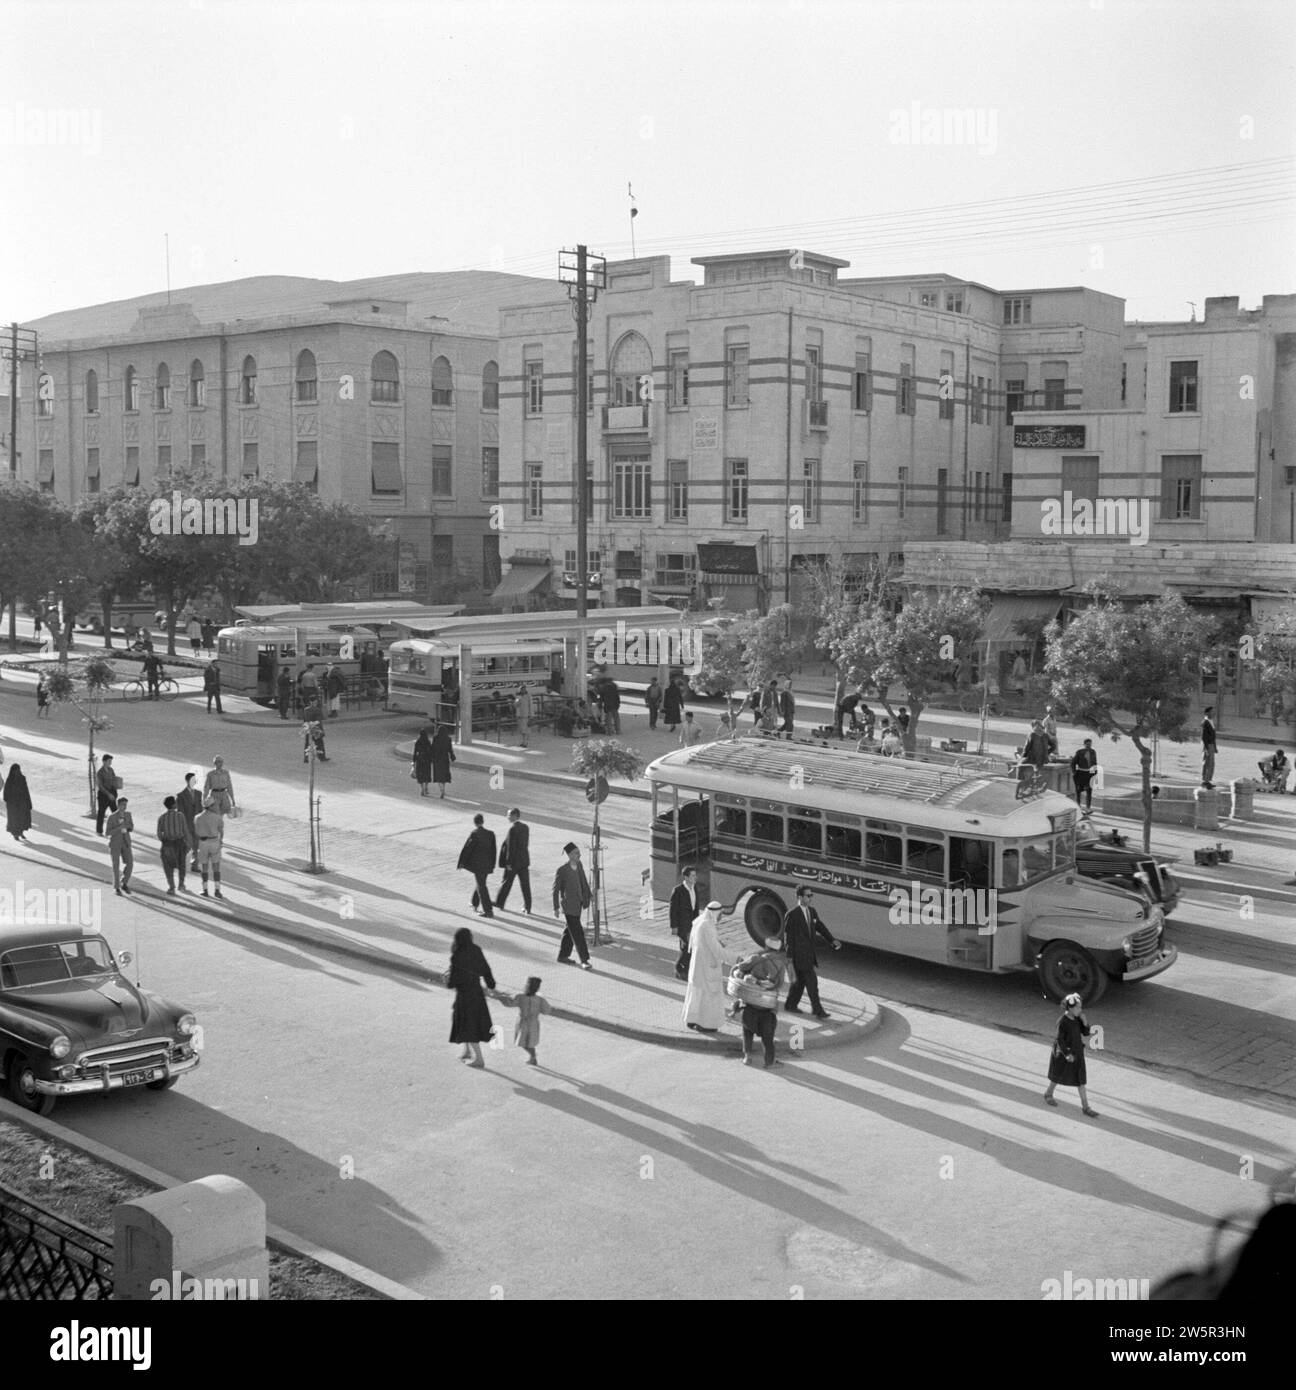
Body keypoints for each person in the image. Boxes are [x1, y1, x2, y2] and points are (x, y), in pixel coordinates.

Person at [783, 885, 840, 1019]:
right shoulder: (792, 915)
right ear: (799, 897)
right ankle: (817, 1010)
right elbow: (788, 937)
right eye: (808, 896)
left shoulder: (812, 912)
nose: (810, 898)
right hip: (799, 956)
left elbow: (819, 926)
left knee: (799, 983)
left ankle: (790, 1004)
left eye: (811, 895)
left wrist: (832, 940)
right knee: (812, 983)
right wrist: (790, 957)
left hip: (809, 955)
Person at [732, 935, 788, 1068]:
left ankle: (747, 1057)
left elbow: (740, 967)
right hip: (767, 1007)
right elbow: (779, 984)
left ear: (766, 947)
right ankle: (769, 1062)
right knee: (768, 1037)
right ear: (778, 950)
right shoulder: (780, 965)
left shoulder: (755, 958)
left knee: (747, 1031)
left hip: (750, 1005)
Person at [447, 927, 496, 1069]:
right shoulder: (476, 949)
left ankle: (479, 1058)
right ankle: (467, 1050)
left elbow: (453, 981)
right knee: (468, 1023)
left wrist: (448, 982)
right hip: (476, 992)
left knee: (467, 1025)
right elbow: (486, 969)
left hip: (464, 995)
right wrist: (491, 984)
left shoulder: (457, 955)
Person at [1044, 992, 1098, 1117]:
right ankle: (1048, 1093)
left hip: (1078, 1052)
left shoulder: (1078, 1019)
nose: (1080, 1010)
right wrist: (1067, 1054)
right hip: (1064, 1054)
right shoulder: (1063, 1021)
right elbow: (1060, 1040)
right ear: (1070, 1008)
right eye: (1078, 1007)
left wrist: (1085, 1023)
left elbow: (1085, 1033)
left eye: (1081, 1007)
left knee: (1080, 1080)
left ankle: (1086, 1107)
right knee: (1057, 1075)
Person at [682, 900, 728, 1033]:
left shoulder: (701, 922)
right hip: (706, 967)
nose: (721, 917)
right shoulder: (707, 926)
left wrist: (718, 942)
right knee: (708, 997)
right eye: (720, 914)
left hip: (698, 966)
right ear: (715, 913)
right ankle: (705, 1024)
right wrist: (735, 958)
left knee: (696, 994)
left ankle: (692, 1020)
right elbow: (717, 951)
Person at [553, 841, 593, 970]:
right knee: (578, 932)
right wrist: (556, 907)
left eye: (579, 852)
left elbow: (583, 881)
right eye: (576, 853)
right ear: (570, 855)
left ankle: (563, 956)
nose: (579, 855)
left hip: (578, 904)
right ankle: (584, 960)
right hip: (569, 906)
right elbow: (555, 890)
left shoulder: (579, 865)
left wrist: (589, 895)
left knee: (569, 931)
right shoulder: (562, 870)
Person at [500, 976, 552, 1066]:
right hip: (533, 1023)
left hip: (523, 1023)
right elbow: (546, 1011)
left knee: (523, 1042)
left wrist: (501, 997)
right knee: (529, 1042)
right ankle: (533, 1057)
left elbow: (510, 1004)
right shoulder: (539, 1000)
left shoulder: (520, 997)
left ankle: (533, 1056)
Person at [457, 812, 497, 918]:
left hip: (478, 865)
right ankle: (474, 903)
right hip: (487, 864)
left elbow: (467, 849)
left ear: (474, 823)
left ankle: (488, 911)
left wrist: (461, 863)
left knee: (481, 886)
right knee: (481, 882)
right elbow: (494, 851)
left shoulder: (474, 833)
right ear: (483, 822)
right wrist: (492, 864)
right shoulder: (491, 834)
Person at [495, 807, 532, 913]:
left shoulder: (513, 829)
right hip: (524, 861)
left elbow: (511, 848)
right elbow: (525, 844)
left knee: (506, 883)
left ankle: (500, 902)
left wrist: (508, 862)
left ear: (515, 816)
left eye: (509, 815)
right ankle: (527, 907)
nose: (507, 817)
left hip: (514, 863)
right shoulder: (525, 827)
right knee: (525, 885)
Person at [156, 795, 194, 895]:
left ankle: (171, 887)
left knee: (168, 867)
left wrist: (165, 842)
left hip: (167, 844)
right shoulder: (180, 816)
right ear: (173, 805)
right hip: (179, 843)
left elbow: (159, 834)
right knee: (181, 865)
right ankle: (181, 885)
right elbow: (185, 830)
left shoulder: (162, 818)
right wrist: (189, 843)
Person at [670, 865, 699, 981]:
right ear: (686, 877)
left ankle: (683, 970)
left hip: (693, 924)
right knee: (687, 948)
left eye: (695, 875)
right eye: (692, 875)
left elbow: (695, 908)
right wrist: (674, 927)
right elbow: (673, 910)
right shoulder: (678, 890)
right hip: (682, 925)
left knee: (688, 948)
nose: (695, 877)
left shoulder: (694, 888)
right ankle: (680, 969)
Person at [194, 798, 226, 898]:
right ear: (211, 806)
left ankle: (205, 890)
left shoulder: (197, 817)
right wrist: (220, 841)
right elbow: (221, 831)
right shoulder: (217, 817)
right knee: (216, 867)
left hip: (203, 843)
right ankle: (217, 890)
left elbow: (196, 832)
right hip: (214, 842)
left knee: (204, 867)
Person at [105, 796, 134, 895]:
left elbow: (131, 826)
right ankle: (117, 887)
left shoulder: (128, 815)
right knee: (116, 865)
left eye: (126, 805)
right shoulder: (112, 817)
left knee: (130, 863)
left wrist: (128, 827)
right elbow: (107, 832)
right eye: (122, 805)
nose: (124, 807)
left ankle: (124, 882)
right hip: (115, 843)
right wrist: (119, 828)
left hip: (125, 842)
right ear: (118, 805)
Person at [176, 771, 204, 871]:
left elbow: (201, 809)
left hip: (197, 824)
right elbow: (180, 812)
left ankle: (194, 865)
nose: (194, 781)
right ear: (187, 781)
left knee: (196, 846)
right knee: (187, 845)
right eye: (192, 779)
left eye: (195, 779)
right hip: (187, 824)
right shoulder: (180, 796)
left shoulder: (198, 794)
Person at [3, 764, 33, 842]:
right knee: (14, 819)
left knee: (22, 818)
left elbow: (26, 791)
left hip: (22, 803)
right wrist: (8, 801)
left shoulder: (22, 779)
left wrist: (28, 803)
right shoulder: (10, 780)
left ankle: (20, 832)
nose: (17, 772)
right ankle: (15, 834)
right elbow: (6, 792)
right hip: (12, 804)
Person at [1070, 738, 1098, 811]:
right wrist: (1074, 772)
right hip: (1081, 774)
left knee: (1089, 791)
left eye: (1090, 744)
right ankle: (1078, 806)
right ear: (1084, 744)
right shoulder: (1079, 752)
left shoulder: (1093, 752)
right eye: (1087, 744)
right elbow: (1073, 763)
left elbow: (1095, 763)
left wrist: (1095, 773)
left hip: (1089, 774)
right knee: (1078, 791)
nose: (1089, 746)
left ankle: (1088, 807)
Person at [95, 754, 119, 834]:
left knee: (115, 812)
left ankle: (118, 828)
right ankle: (99, 831)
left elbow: (114, 780)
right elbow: (100, 786)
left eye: (111, 761)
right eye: (109, 761)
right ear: (104, 761)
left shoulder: (111, 770)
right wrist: (108, 794)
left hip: (111, 793)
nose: (110, 763)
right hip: (103, 795)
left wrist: (115, 791)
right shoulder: (100, 773)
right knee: (101, 812)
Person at [431, 722, 455, 797]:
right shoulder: (448, 739)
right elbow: (450, 750)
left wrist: (431, 757)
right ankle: (443, 789)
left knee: (438, 775)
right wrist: (452, 757)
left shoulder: (435, 738)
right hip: (445, 760)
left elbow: (433, 748)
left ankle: (441, 790)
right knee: (444, 775)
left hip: (437, 759)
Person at [411, 727, 434, 796]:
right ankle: (426, 787)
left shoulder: (418, 741)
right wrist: (432, 760)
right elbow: (431, 752)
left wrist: (414, 761)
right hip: (427, 760)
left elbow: (415, 752)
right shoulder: (428, 741)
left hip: (420, 759)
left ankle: (422, 789)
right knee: (426, 774)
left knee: (420, 775)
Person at [1201, 706, 1217, 789]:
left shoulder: (1211, 721)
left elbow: (1213, 735)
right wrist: (1206, 748)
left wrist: (1215, 747)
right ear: (1207, 713)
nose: (1213, 713)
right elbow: (1204, 737)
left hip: (1211, 745)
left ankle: (1208, 780)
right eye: (1211, 712)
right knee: (1207, 763)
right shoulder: (1205, 722)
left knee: (1211, 763)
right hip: (1207, 745)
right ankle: (1205, 781)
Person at [516, 683, 533, 748]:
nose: (523, 690)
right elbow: (516, 705)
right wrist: (518, 699)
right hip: (520, 715)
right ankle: (523, 741)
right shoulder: (518, 696)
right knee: (522, 730)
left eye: (524, 688)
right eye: (522, 689)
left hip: (527, 715)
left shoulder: (528, 696)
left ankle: (526, 742)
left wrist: (531, 715)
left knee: (527, 730)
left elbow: (531, 706)